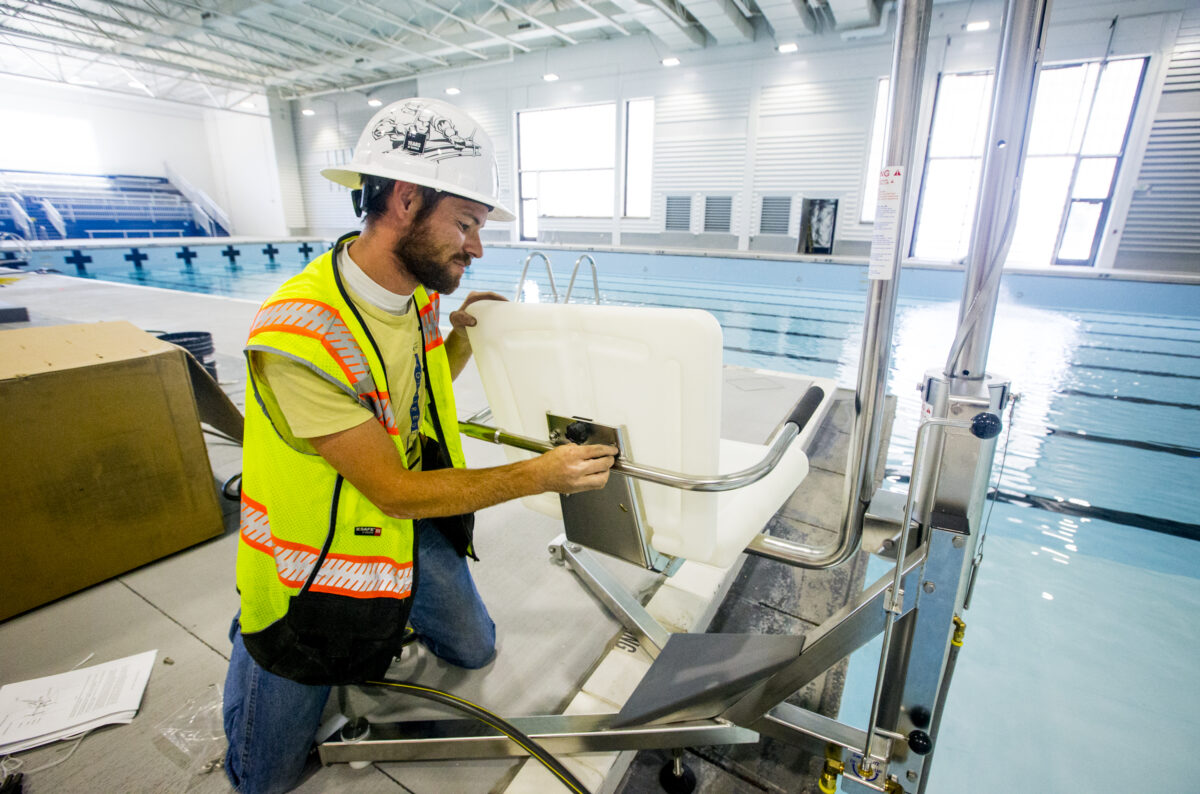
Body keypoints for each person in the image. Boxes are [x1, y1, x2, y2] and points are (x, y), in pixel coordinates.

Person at [222, 98, 618, 794]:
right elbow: (393, 489)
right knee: (264, 780)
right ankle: (252, 640)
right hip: (307, 569)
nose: (477, 247)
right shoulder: (299, 335)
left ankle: (387, 614)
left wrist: (464, 337)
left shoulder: (415, 294)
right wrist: (541, 474)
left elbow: (413, 393)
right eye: (465, 224)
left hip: (397, 531)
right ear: (405, 201)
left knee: (475, 648)